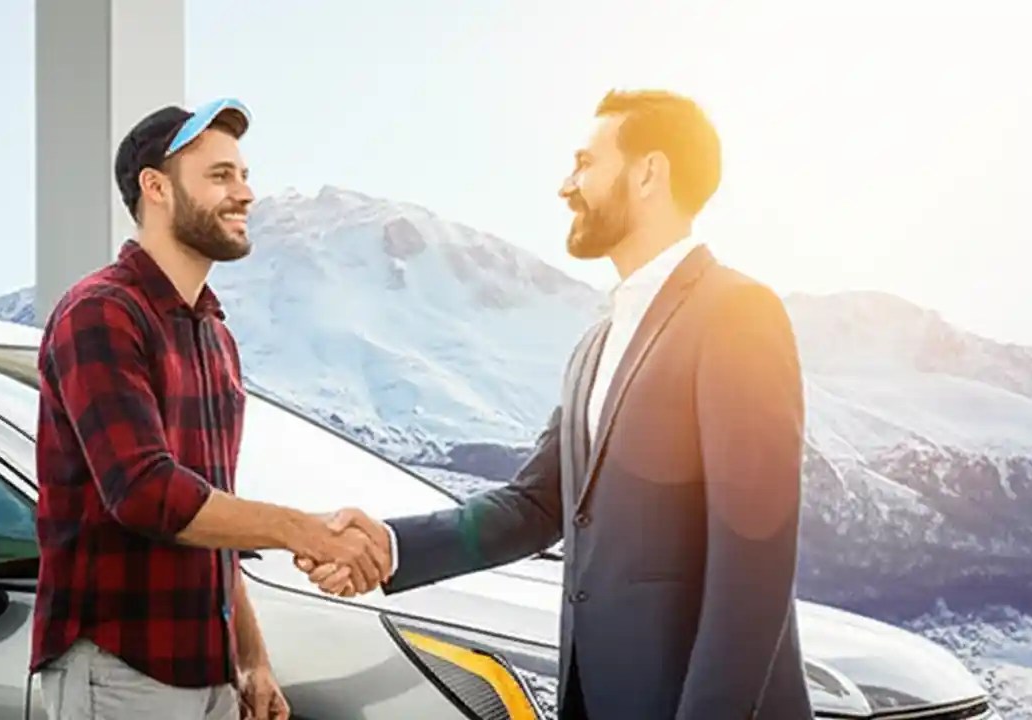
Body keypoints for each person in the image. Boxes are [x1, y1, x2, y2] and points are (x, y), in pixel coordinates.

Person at [300, 89, 814, 719]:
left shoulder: (736, 312)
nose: (567, 186)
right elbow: (538, 504)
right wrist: (390, 545)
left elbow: (754, 565)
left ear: (648, 173)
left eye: (585, 163)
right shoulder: (596, 344)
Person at [30, 98, 391, 720]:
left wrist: (251, 658)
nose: (245, 193)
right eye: (221, 175)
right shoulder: (101, 313)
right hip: (119, 670)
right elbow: (145, 492)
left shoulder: (213, 335)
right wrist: (302, 530)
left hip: (212, 674)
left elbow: (208, 510)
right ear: (156, 188)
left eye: (244, 175)